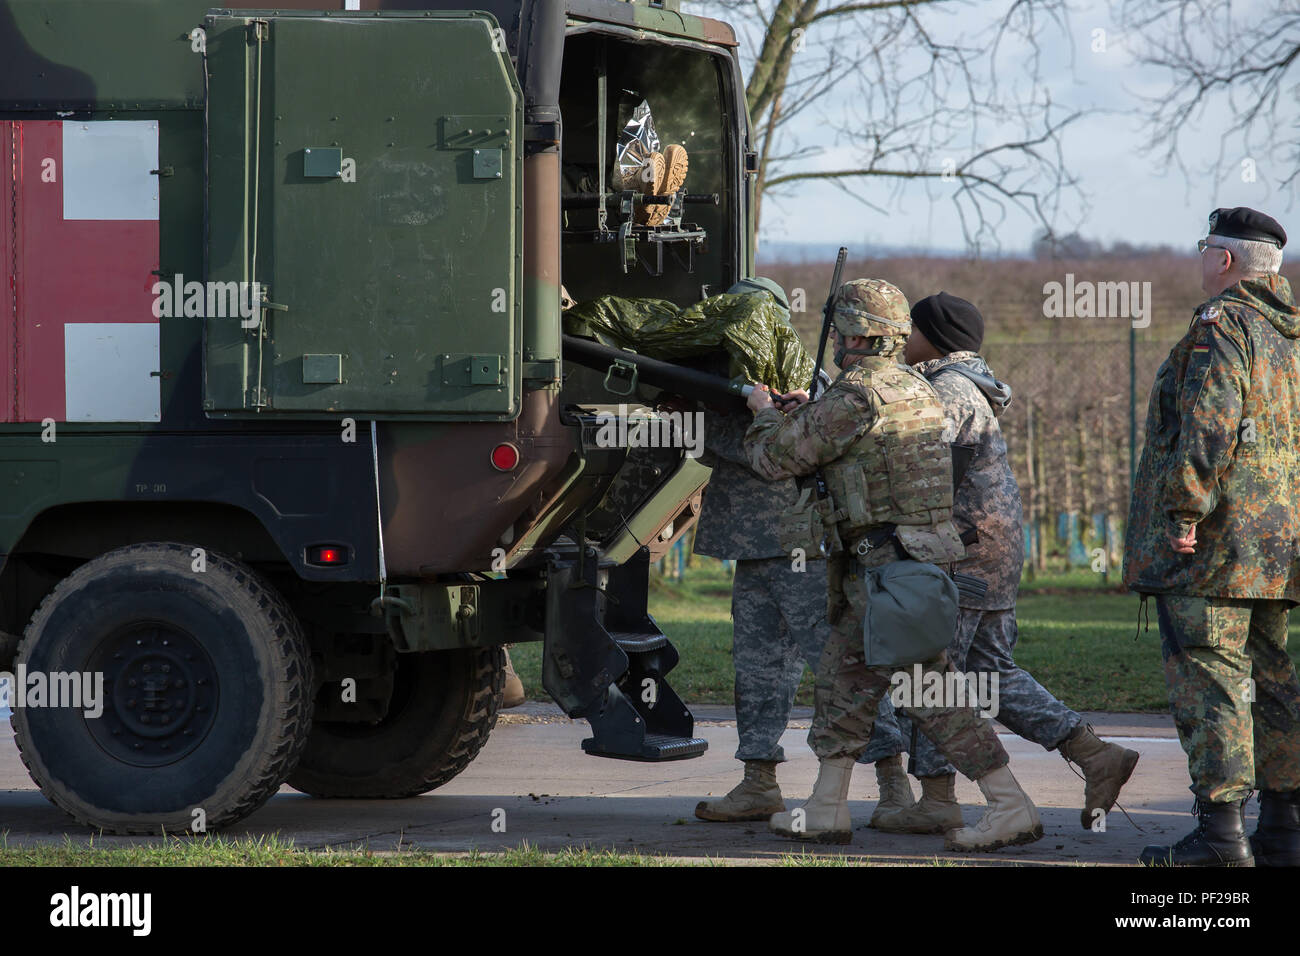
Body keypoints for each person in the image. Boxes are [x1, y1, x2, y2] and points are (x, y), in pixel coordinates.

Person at [741, 278, 1042, 850]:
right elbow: (864, 448)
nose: (833, 341)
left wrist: (762, 412)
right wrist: (813, 414)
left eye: (838, 331)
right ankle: (827, 808)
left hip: (885, 573)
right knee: (843, 685)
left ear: (853, 334)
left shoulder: (856, 395)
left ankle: (1011, 804)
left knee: (931, 694)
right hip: (899, 570)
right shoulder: (917, 388)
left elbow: (774, 459)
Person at [863, 293, 1139, 834]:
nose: (900, 340)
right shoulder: (969, 381)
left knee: (929, 670)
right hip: (990, 550)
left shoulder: (948, 389)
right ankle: (1094, 755)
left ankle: (938, 795)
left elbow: (909, 459)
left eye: (910, 329)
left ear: (933, 338)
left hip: (962, 552)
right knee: (989, 672)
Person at [693, 278, 915, 823]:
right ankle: (758, 780)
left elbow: (773, 451)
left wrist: (757, 411)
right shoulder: (736, 381)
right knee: (758, 668)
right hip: (757, 551)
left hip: (805, 549)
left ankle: (893, 783)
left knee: (841, 669)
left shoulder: (810, 383)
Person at [1126, 207, 1300, 867]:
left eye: (1205, 249)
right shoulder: (1290, 333)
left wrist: (1184, 512)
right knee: (1271, 676)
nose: (1200, 260)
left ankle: (1222, 838)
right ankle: (1284, 830)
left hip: (1218, 544)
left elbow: (1209, 424)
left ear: (1224, 260)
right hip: (1278, 546)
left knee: (1214, 678)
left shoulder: (1222, 324)